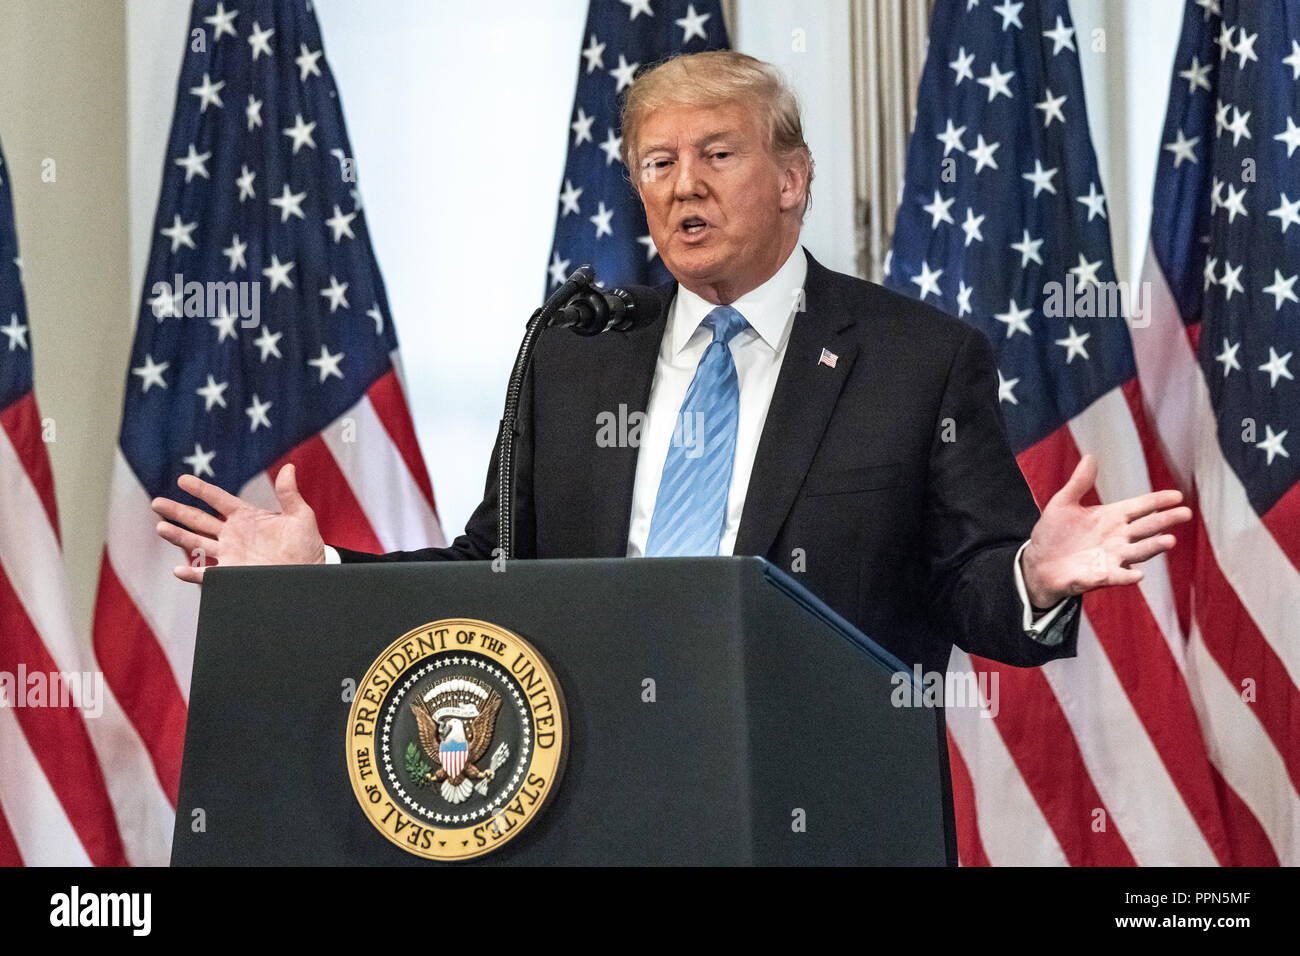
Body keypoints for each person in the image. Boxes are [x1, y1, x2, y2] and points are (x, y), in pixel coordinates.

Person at [152, 51, 1189, 850]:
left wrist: (1030, 572)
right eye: (658, 163)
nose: (683, 183)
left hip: (822, 814)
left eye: (716, 154)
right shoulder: (573, 358)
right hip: (586, 804)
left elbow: (967, 584)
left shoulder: (915, 359)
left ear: (792, 178)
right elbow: (493, 570)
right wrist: (319, 574)